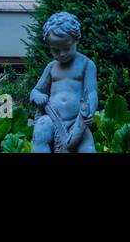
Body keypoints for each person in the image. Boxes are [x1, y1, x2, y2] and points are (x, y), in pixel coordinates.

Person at [30, 11, 97, 153]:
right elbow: (36, 90)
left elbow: (91, 92)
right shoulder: (51, 67)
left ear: (76, 40)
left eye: (66, 48)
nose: (61, 54)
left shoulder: (86, 65)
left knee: (88, 148)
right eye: (55, 50)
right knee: (41, 131)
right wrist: (37, 96)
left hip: (77, 121)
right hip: (52, 118)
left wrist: (89, 111)